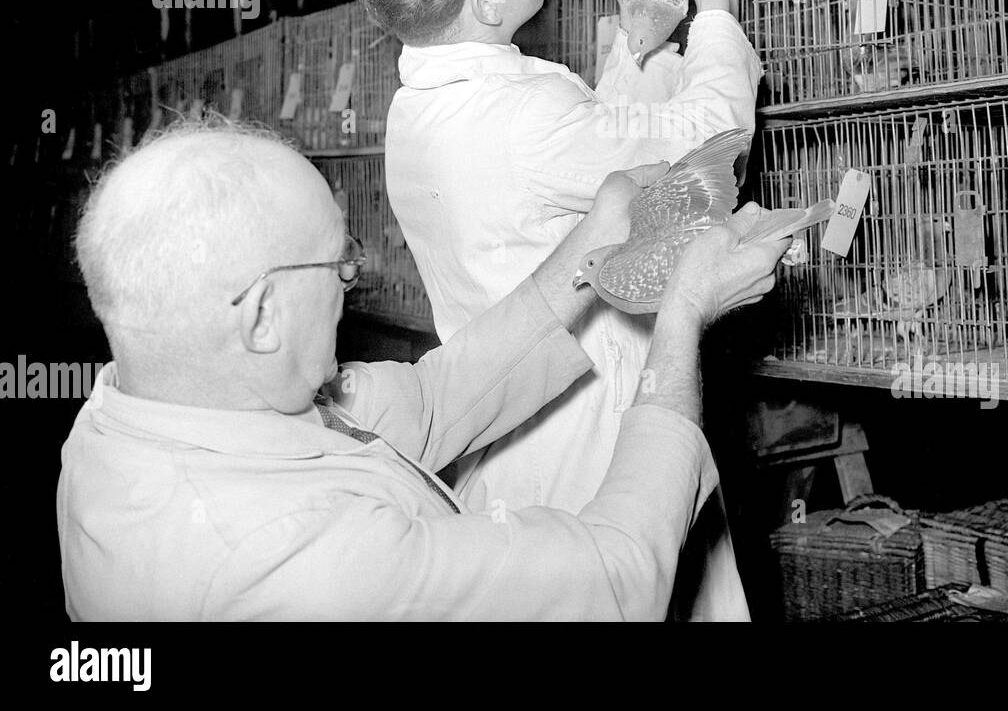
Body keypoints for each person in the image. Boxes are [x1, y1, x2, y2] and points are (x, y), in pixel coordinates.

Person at [57, 121, 791, 620]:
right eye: (339, 264)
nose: (355, 279)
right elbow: (619, 577)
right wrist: (683, 313)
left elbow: (434, 402)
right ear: (260, 317)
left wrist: (593, 242)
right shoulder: (286, 558)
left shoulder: (145, 411)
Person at [333, 0, 762, 619]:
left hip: (511, 434)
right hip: (591, 441)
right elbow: (703, 141)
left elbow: (586, 162)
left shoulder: (423, 105)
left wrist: (639, 45)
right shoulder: (520, 119)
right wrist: (714, 4)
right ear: (489, 1)